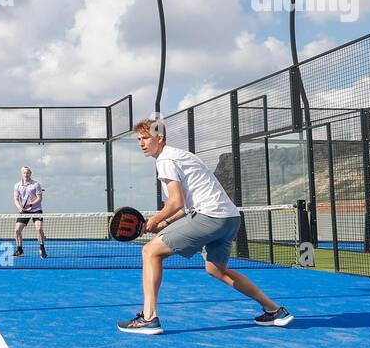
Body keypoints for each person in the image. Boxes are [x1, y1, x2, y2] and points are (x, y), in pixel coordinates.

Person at [119, 118, 293, 335]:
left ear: (160, 138)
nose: (141, 143)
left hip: (210, 216)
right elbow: (186, 206)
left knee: (150, 251)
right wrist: (164, 222)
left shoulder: (165, 159)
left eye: (145, 138)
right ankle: (274, 310)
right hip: (229, 218)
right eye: (139, 139)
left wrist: (153, 221)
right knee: (216, 269)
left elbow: (175, 202)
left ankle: (149, 317)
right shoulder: (181, 155)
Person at [13, 165, 47, 259]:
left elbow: (40, 198)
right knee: (17, 230)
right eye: (24, 172)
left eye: (27, 172)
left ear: (30, 173)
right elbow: (16, 199)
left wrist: (31, 204)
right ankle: (20, 250)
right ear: (21, 174)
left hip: (36, 210)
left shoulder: (36, 184)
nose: (26, 174)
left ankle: (42, 249)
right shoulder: (17, 185)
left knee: (38, 229)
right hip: (24, 211)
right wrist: (20, 208)